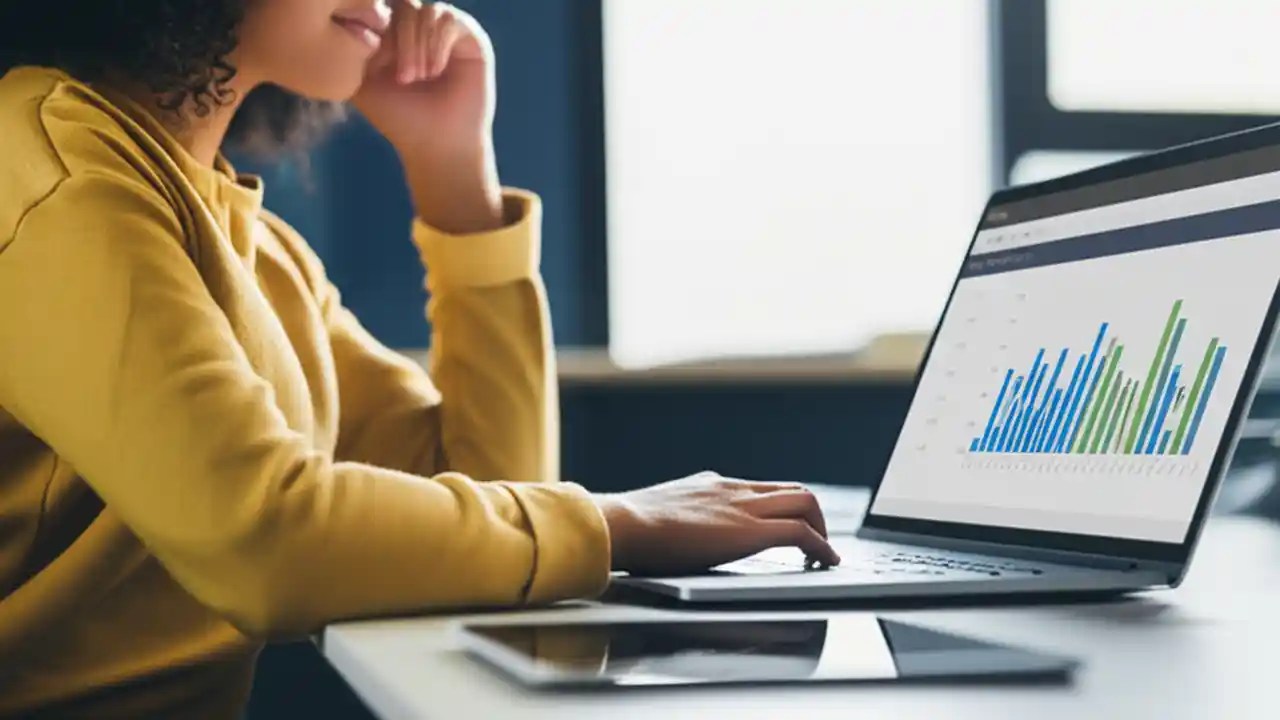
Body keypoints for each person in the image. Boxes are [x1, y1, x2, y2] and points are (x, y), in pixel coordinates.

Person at [0, 1, 839, 716]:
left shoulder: (258, 249)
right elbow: (264, 543)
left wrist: (455, 176)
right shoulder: (47, 164)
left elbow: (495, 490)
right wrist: (623, 522)